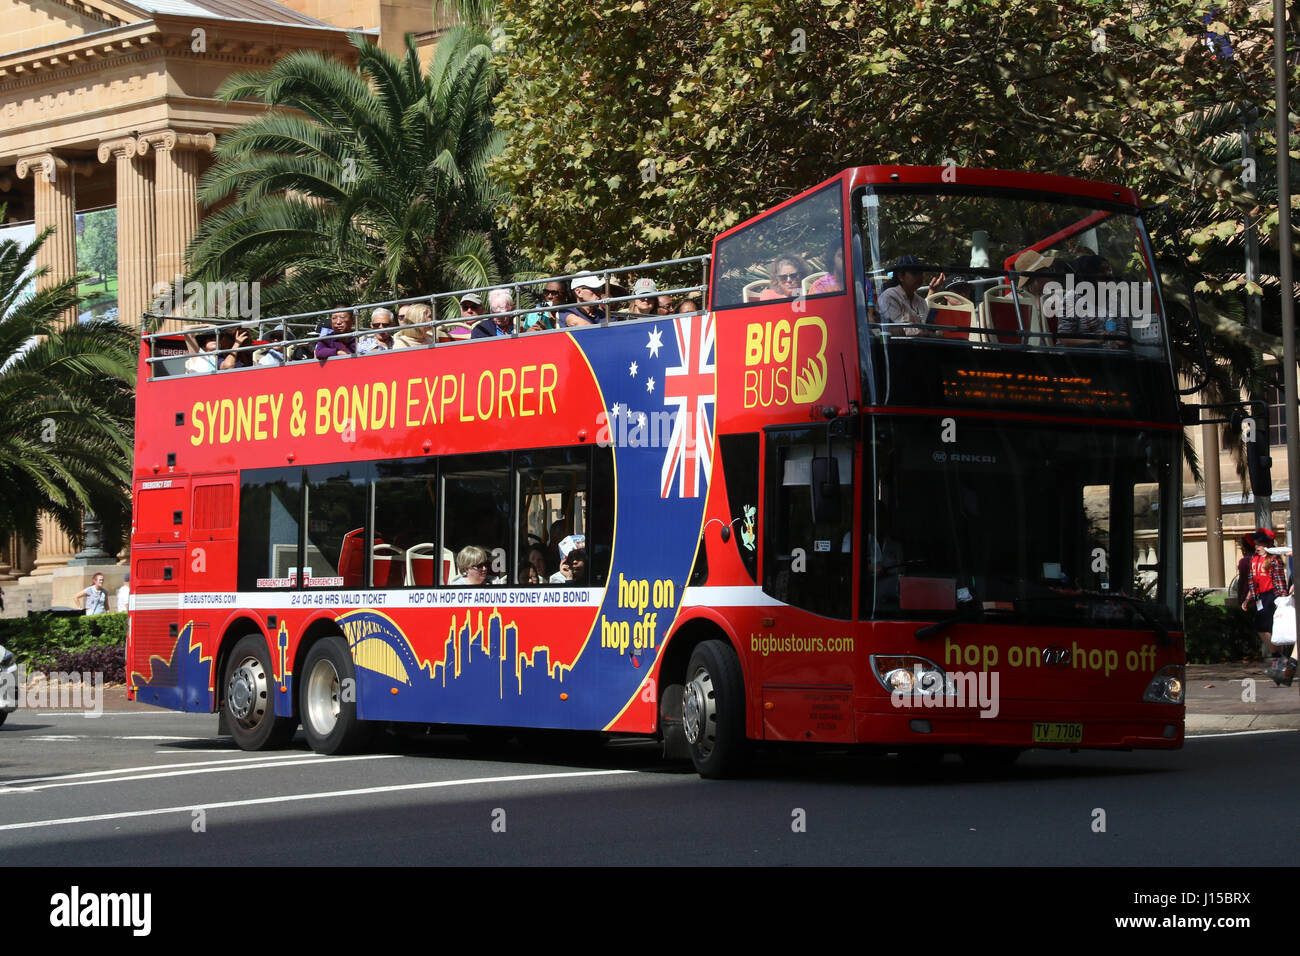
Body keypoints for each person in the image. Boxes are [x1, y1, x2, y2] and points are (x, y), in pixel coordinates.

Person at [1242, 528, 1291, 666]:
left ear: (1268, 544)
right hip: (1260, 597)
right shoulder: (1254, 559)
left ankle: (1278, 656)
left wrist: (1283, 599)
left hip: (1271, 595)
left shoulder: (1274, 560)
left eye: (1260, 544)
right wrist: (1247, 598)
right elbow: (1252, 581)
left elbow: (1280, 581)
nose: (1256, 547)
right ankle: (1279, 658)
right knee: (1265, 628)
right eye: (1255, 544)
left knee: (1263, 627)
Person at [878, 254, 945, 335]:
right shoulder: (889, 297)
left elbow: (930, 328)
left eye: (921, 273)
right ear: (901, 276)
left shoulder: (921, 301)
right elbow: (902, 331)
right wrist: (929, 334)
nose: (920, 277)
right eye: (914, 273)